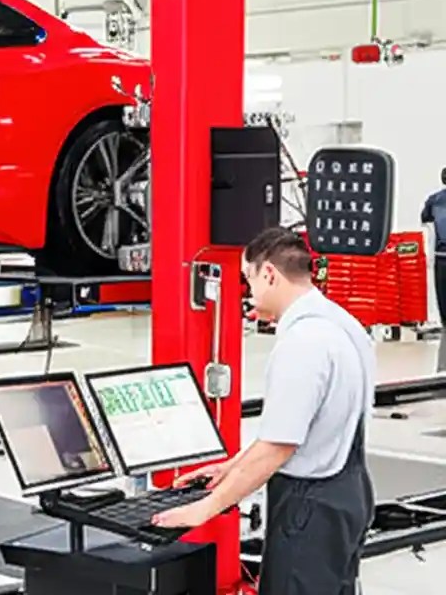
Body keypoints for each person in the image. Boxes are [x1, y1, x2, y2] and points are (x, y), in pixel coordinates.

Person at [152, 226, 376, 595]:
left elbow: (279, 448)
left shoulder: (303, 343)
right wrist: (231, 468)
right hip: (348, 491)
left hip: (310, 504)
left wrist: (205, 509)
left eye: (248, 279)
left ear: (269, 274)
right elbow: (300, 429)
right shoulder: (342, 324)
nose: (248, 292)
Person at [421, 169, 446, 340]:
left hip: (441, 257)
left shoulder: (434, 201)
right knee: (443, 304)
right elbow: (426, 221)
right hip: (441, 256)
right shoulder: (434, 201)